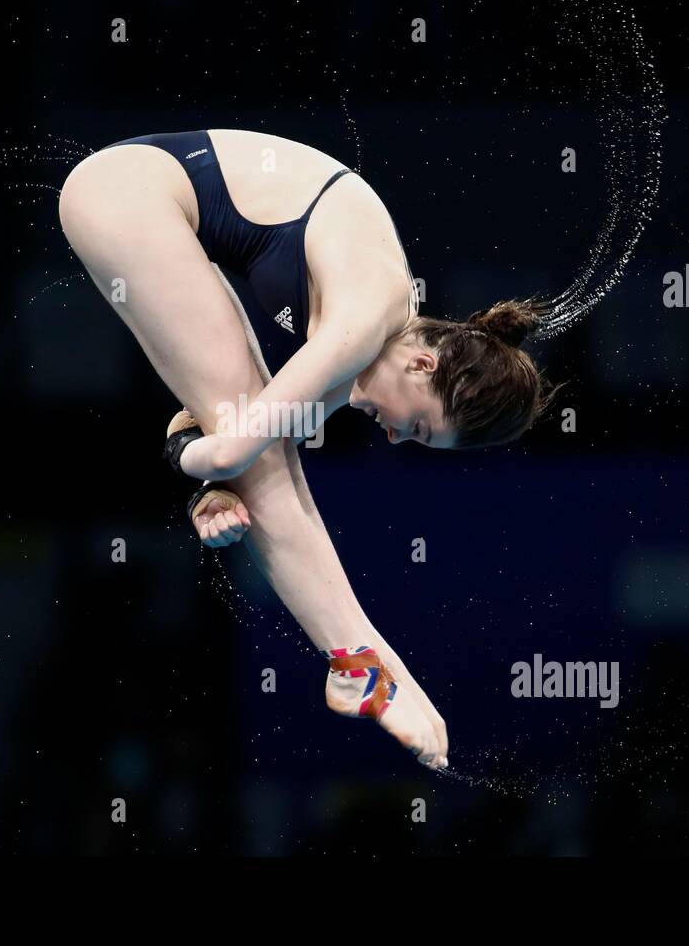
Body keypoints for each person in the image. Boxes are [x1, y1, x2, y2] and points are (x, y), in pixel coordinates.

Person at [59, 129, 555, 769]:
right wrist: (201, 466)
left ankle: (362, 660)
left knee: (263, 453)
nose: (398, 439)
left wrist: (211, 488)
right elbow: (227, 449)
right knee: (260, 455)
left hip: (144, 197)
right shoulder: (360, 322)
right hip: (126, 193)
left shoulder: (382, 334)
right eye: (421, 429)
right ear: (425, 364)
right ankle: (360, 661)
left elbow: (215, 431)